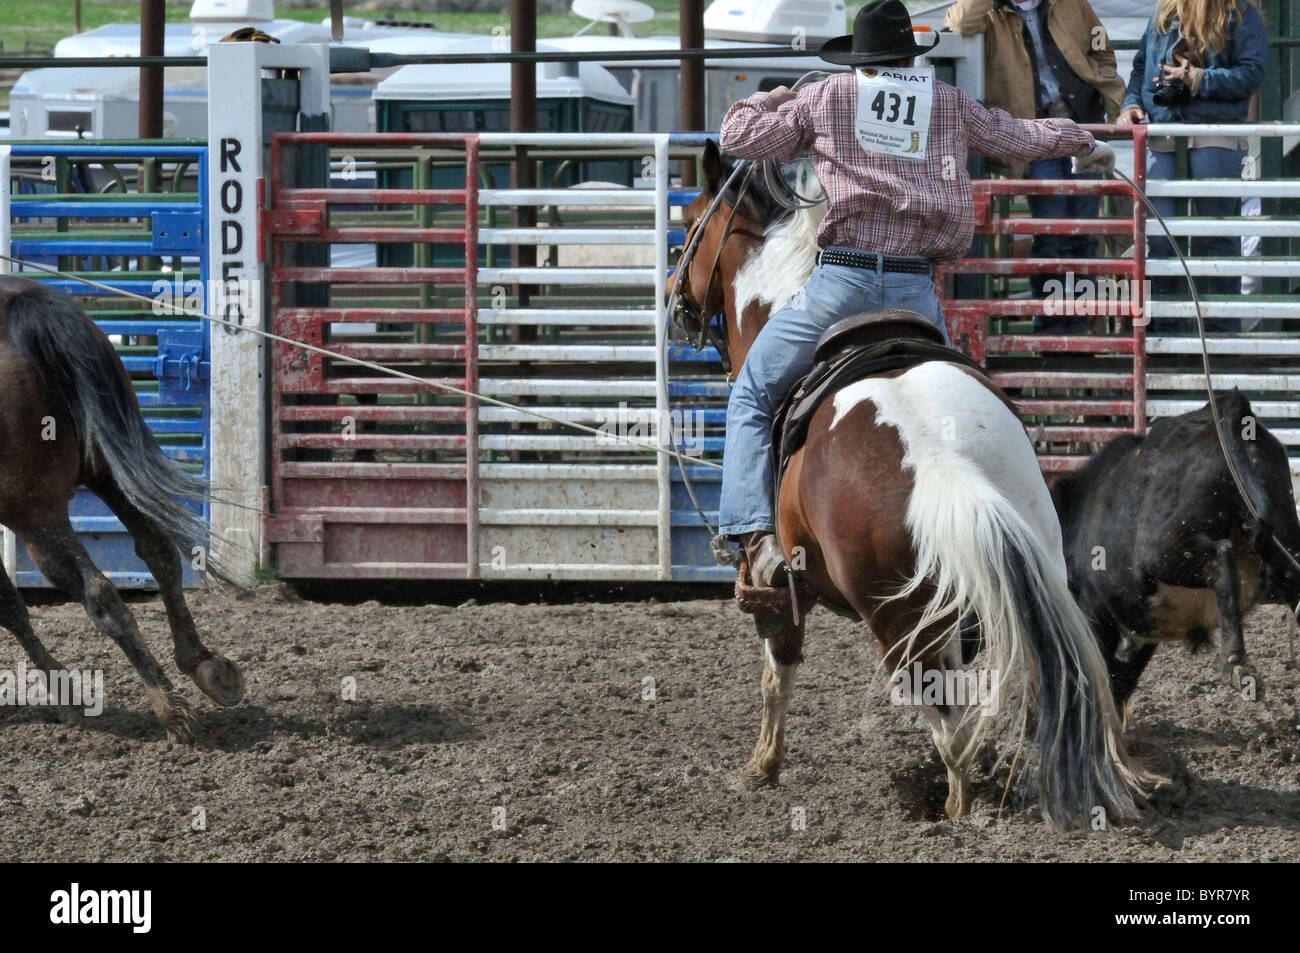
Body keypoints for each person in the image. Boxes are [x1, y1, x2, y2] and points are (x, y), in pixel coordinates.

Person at [715, 0, 1115, 586]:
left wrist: (776, 97)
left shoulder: (827, 98)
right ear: (909, 54)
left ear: (860, 59)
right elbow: (1020, 134)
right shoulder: (949, 106)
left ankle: (754, 537)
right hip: (916, 295)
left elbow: (737, 135)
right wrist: (1080, 141)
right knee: (965, 399)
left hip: (840, 285)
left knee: (751, 392)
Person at [944, 0, 1125, 333]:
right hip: (1034, 137)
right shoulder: (992, 10)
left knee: (1083, 233)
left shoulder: (1071, 4)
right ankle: (1052, 323)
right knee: (1052, 229)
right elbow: (959, 23)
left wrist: (1107, 86)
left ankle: (1076, 323)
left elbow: (1101, 44)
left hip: (1083, 126)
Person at [1118, 0, 1266, 331]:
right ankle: (1165, 334)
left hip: (1214, 133)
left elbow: (1252, 73)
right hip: (1165, 134)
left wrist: (1196, 78)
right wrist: (1130, 104)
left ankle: (1219, 336)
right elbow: (1141, 68)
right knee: (1159, 237)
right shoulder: (1163, 10)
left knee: (1215, 236)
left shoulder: (1238, 13)